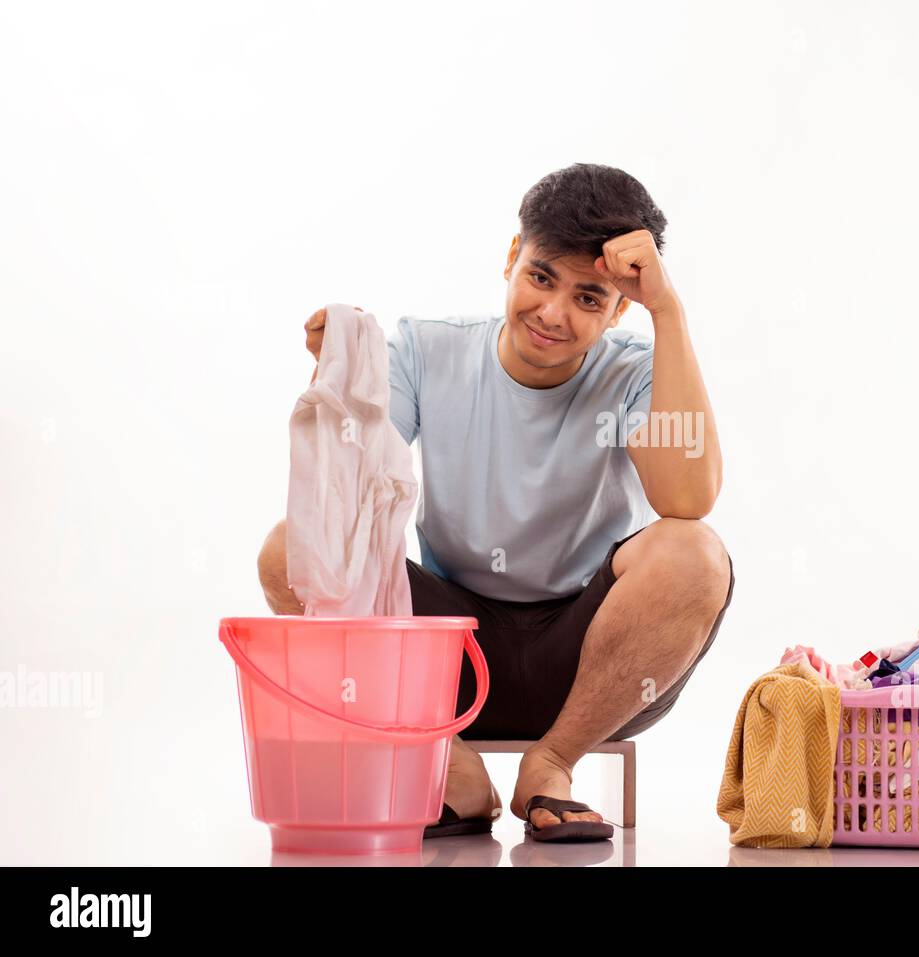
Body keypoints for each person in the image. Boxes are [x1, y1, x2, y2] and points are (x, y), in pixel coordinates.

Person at [257, 163, 733, 842]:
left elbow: (687, 497)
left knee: (696, 552)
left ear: (618, 308)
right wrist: (340, 385)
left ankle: (553, 762)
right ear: (513, 257)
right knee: (291, 549)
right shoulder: (428, 348)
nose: (554, 314)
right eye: (542, 277)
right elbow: (344, 510)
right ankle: (452, 768)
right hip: (441, 659)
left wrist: (669, 311)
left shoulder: (634, 369)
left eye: (589, 298)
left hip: (589, 661)